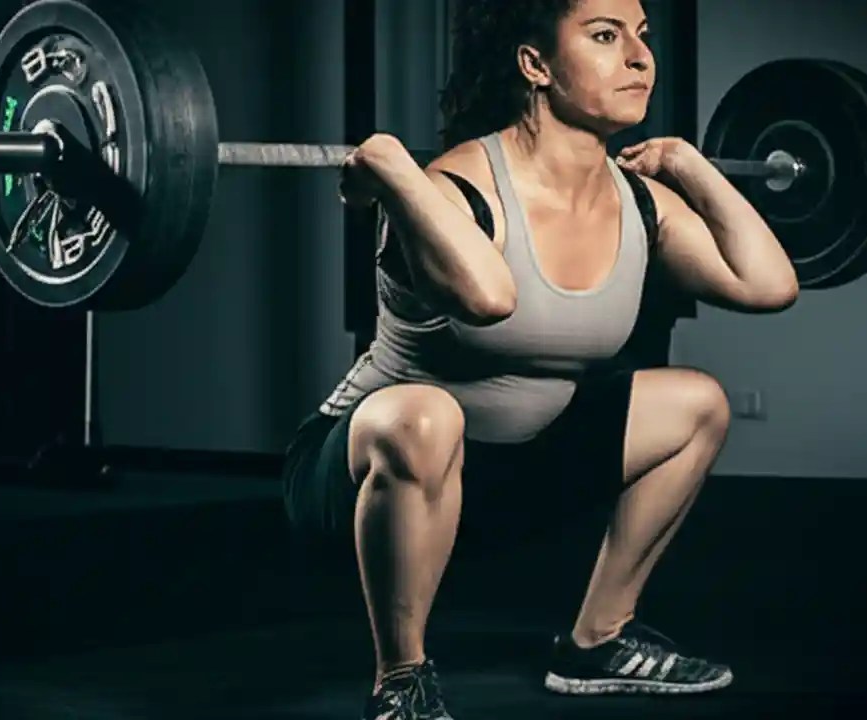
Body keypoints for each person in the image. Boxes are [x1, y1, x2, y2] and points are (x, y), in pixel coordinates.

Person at [282, 0, 798, 717]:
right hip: (368, 472)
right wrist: (398, 174)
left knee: (696, 403)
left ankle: (598, 640)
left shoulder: (641, 203)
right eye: (605, 36)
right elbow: (492, 297)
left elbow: (769, 285)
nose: (640, 58)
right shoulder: (453, 187)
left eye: (642, 37)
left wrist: (690, 165)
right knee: (426, 415)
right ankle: (401, 678)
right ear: (536, 65)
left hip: (514, 471)